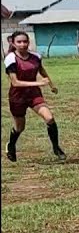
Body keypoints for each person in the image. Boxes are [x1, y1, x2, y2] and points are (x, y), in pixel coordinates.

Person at [5, 31, 65, 162]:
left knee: (49, 118)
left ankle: (56, 148)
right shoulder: (10, 58)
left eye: (25, 41)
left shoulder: (36, 56)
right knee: (20, 127)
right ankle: (11, 145)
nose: (22, 44)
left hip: (33, 94)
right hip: (17, 96)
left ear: (29, 42)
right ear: (13, 44)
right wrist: (38, 83)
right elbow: (15, 82)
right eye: (19, 42)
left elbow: (41, 70)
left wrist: (51, 84)